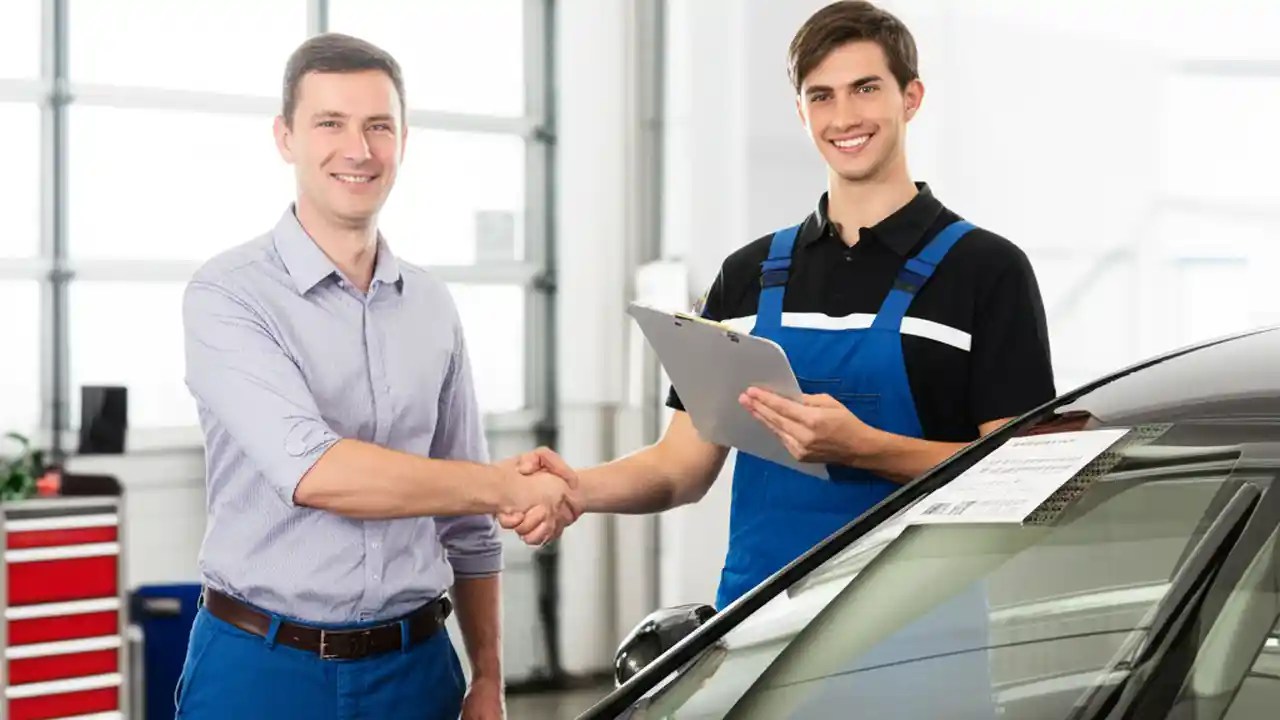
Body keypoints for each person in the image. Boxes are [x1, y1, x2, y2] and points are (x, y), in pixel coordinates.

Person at [504, 0, 1055, 610]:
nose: (844, 116)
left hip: (919, 628)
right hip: (757, 623)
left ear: (911, 97)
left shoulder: (986, 270)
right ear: (801, 112)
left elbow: (1018, 474)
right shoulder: (745, 277)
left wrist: (862, 448)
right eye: (821, 96)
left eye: (865, 88)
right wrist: (577, 487)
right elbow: (679, 467)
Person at [177, 33, 577, 720]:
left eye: (378, 126)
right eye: (330, 123)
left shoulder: (430, 305)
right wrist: (503, 485)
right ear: (285, 137)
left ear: (402, 139)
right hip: (260, 669)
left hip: (417, 670)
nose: (358, 149)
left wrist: (489, 677)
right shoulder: (228, 294)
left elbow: (469, 529)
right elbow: (316, 472)